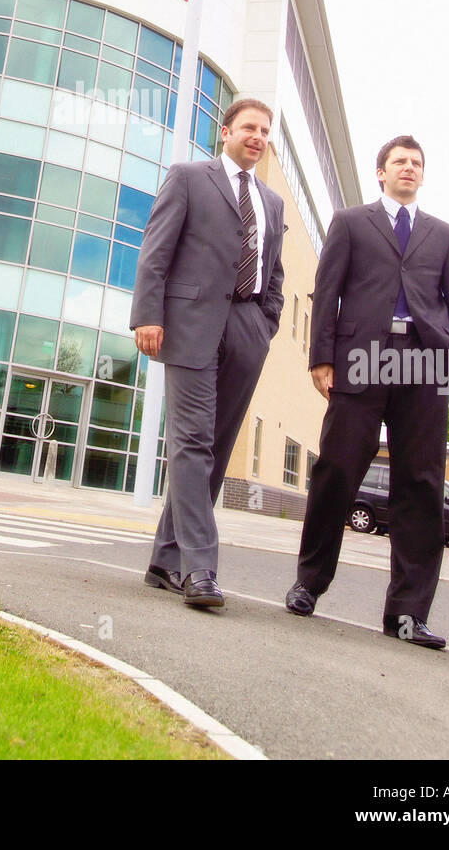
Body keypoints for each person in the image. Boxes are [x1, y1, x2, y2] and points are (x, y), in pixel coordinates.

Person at [285, 136, 449, 648]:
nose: (409, 168)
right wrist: (322, 358)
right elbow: (328, 292)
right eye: (400, 162)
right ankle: (309, 583)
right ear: (380, 172)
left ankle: (408, 615)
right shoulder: (350, 223)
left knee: (420, 484)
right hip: (361, 359)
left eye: (417, 162)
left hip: (424, 363)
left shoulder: (445, 235)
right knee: (338, 469)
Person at [131, 98, 285, 608]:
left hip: (246, 328)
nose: (257, 137)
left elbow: (273, 273)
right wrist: (147, 315)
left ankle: (163, 561)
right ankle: (200, 569)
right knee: (191, 441)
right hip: (190, 325)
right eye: (249, 128)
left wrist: (265, 324)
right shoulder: (189, 177)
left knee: (213, 448)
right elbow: (157, 250)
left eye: (264, 131)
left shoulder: (272, 202)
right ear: (225, 132)